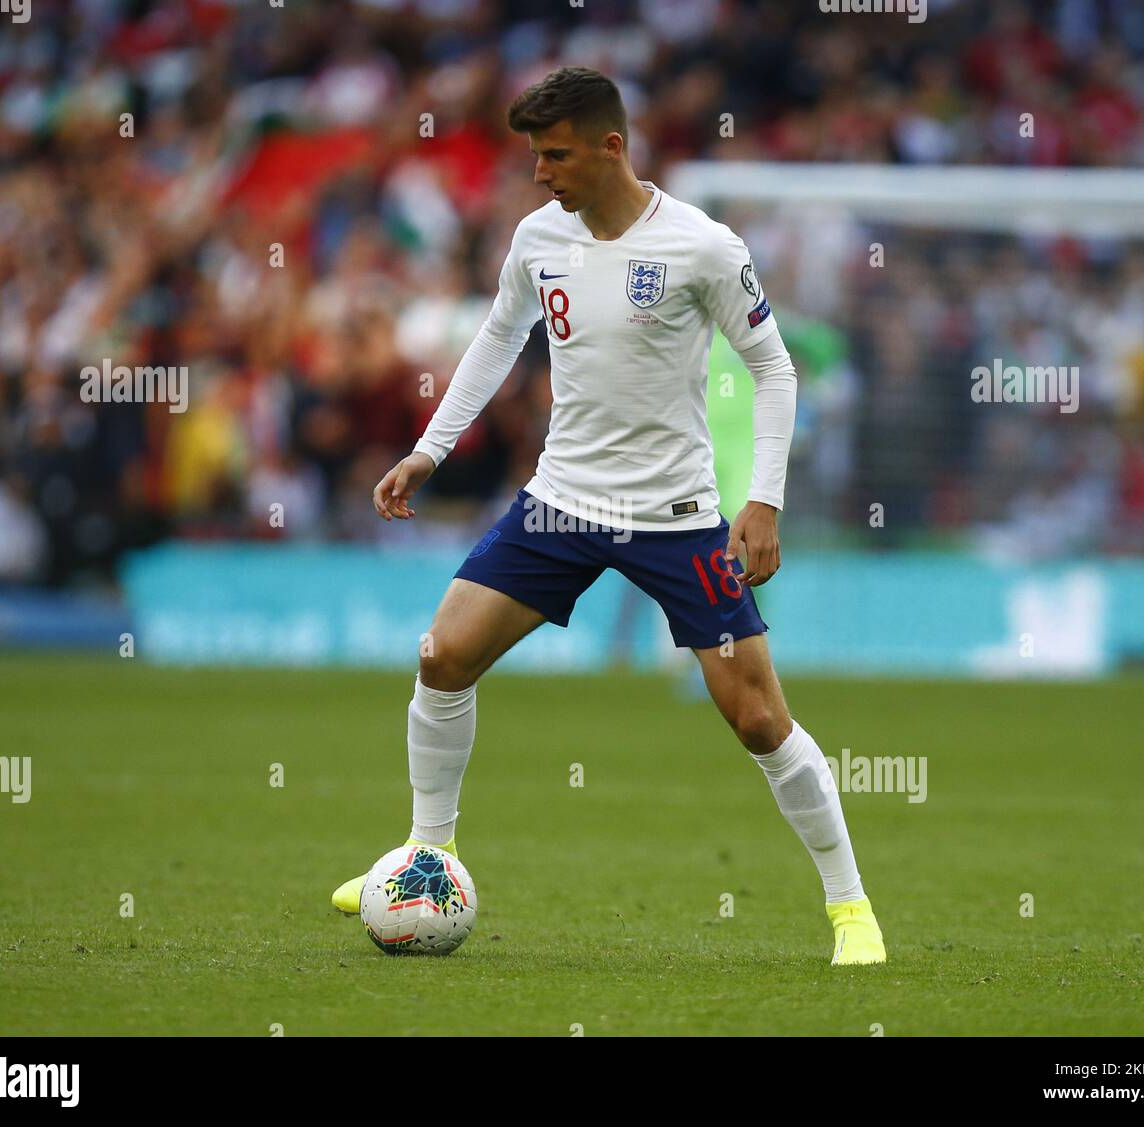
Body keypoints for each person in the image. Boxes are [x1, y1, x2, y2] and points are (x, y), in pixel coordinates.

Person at [332, 66, 885, 964]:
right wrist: (430, 449)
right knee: (442, 655)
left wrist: (764, 500)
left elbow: (777, 369)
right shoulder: (536, 238)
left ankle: (850, 906)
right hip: (560, 504)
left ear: (610, 147)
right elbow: (497, 340)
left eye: (555, 155)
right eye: (534, 156)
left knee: (756, 717)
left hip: (677, 516)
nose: (540, 173)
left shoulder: (703, 247)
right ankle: (427, 857)